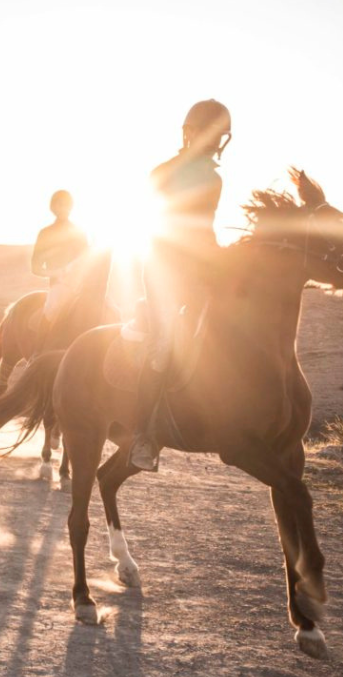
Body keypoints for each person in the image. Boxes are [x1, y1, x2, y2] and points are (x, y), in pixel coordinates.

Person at [130, 99, 231, 471]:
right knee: (164, 343)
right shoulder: (163, 172)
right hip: (163, 267)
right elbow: (166, 222)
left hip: (200, 267)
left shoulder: (215, 178)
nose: (215, 141)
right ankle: (143, 435)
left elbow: (204, 228)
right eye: (210, 134)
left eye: (220, 136)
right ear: (189, 133)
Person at [30, 190, 90, 347]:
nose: (64, 208)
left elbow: (88, 259)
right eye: (60, 204)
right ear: (53, 207)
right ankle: (38, 352)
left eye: (67, 204)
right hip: (59, 286)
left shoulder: (80, 232)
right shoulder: (45, 233)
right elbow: (35, 267)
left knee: (112, 309)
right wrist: (55, 272)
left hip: (82, 286)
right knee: (52, 308)